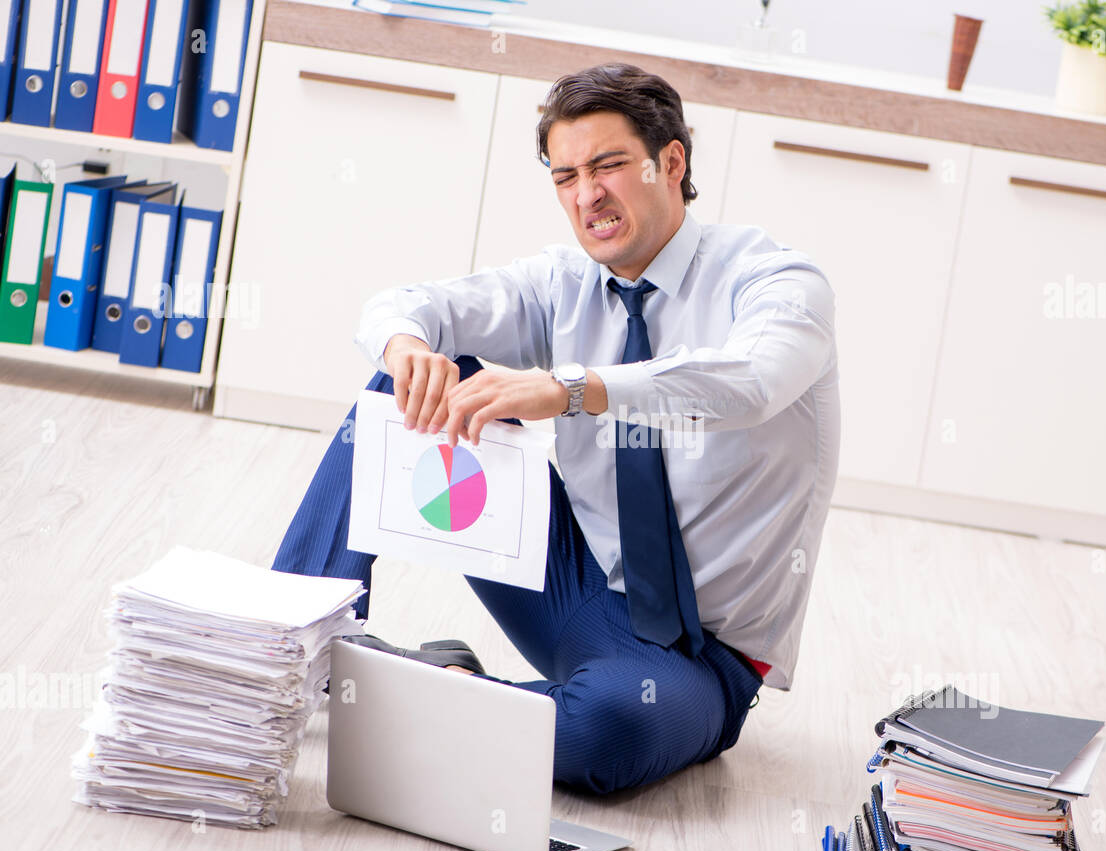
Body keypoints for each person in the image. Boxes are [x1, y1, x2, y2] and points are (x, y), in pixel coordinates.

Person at [273, 62, 839, 795]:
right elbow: (405, 305)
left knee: (606, 732)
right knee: (416, 376)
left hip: (696, 656)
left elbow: (753, 381)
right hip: (574, 585)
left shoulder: (776, 282)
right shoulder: (563, 283)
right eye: (565, 176)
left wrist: (573, 388)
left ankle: (430, 680)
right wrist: (405, 344)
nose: (586, 195)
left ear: (672, 162)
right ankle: (283, 640)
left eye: (607, 166)